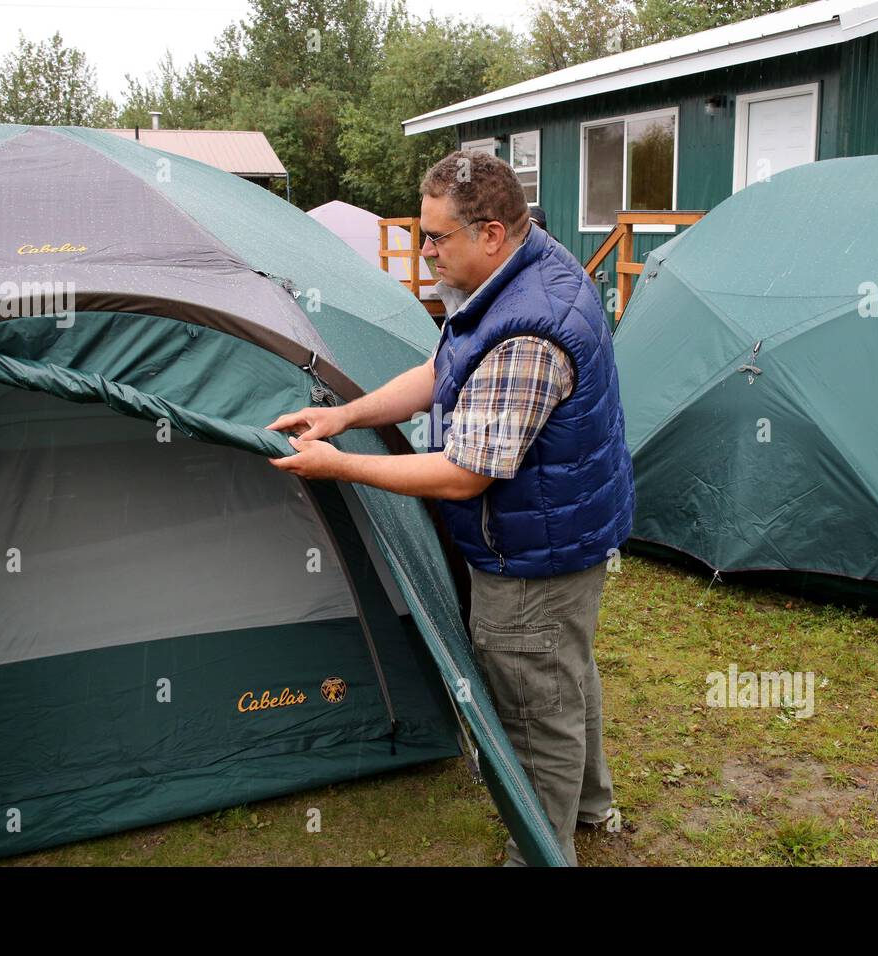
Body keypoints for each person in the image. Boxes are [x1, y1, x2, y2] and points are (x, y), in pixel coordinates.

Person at [266, 149, 635, 866]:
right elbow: (443, 369)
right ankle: (592, 808)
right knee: (564, 680)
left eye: (437, 237)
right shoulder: (523, 268)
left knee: (533, 712)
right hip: (566, 532)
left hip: (532, 561)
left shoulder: (526, 332)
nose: (425, 251)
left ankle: (541, 852)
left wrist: (340, 466)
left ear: (491, 233)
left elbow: (466, 475)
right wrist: (345, 415)